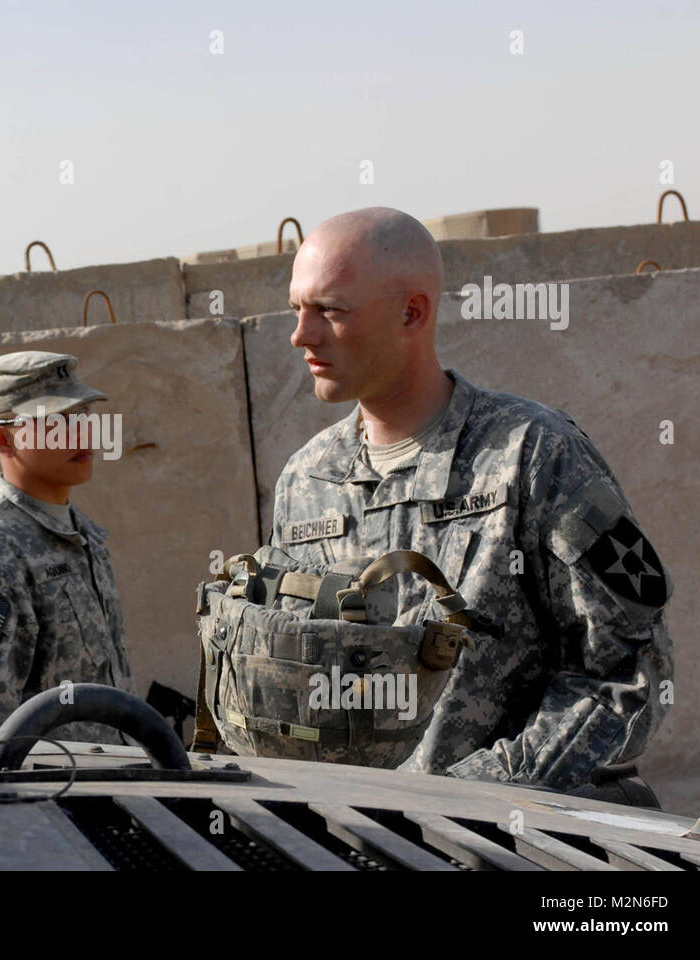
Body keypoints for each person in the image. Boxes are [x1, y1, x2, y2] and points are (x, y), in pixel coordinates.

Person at [272, 206, 672, 795]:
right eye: (297, 309)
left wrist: (478, 792)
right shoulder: (306, 481)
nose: (301, 335)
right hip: (355, 829)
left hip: (506, 830)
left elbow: (629, 671)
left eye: (330, 310)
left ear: (412, 312)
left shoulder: (533, 455)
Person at [0, 351, 132, 741]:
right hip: (50, 779)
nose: (82, 433)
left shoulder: (82, 535)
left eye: (84, 416)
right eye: (56, 422)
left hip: (111, 774)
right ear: (3, 439)